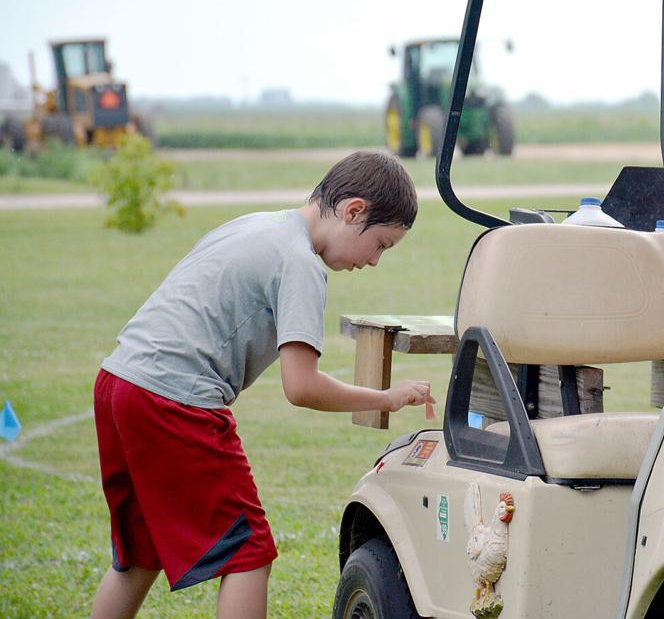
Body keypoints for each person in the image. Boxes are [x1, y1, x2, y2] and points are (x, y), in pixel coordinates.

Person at [90, 151, 434, 619]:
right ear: (353, 211)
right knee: (249, 553)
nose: (374, 261)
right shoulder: (300, 263)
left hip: (118, 382)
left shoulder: (255, 225)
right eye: (380, 244)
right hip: (173, 398)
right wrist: (386, 398)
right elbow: (302, 386)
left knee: (139, 551)